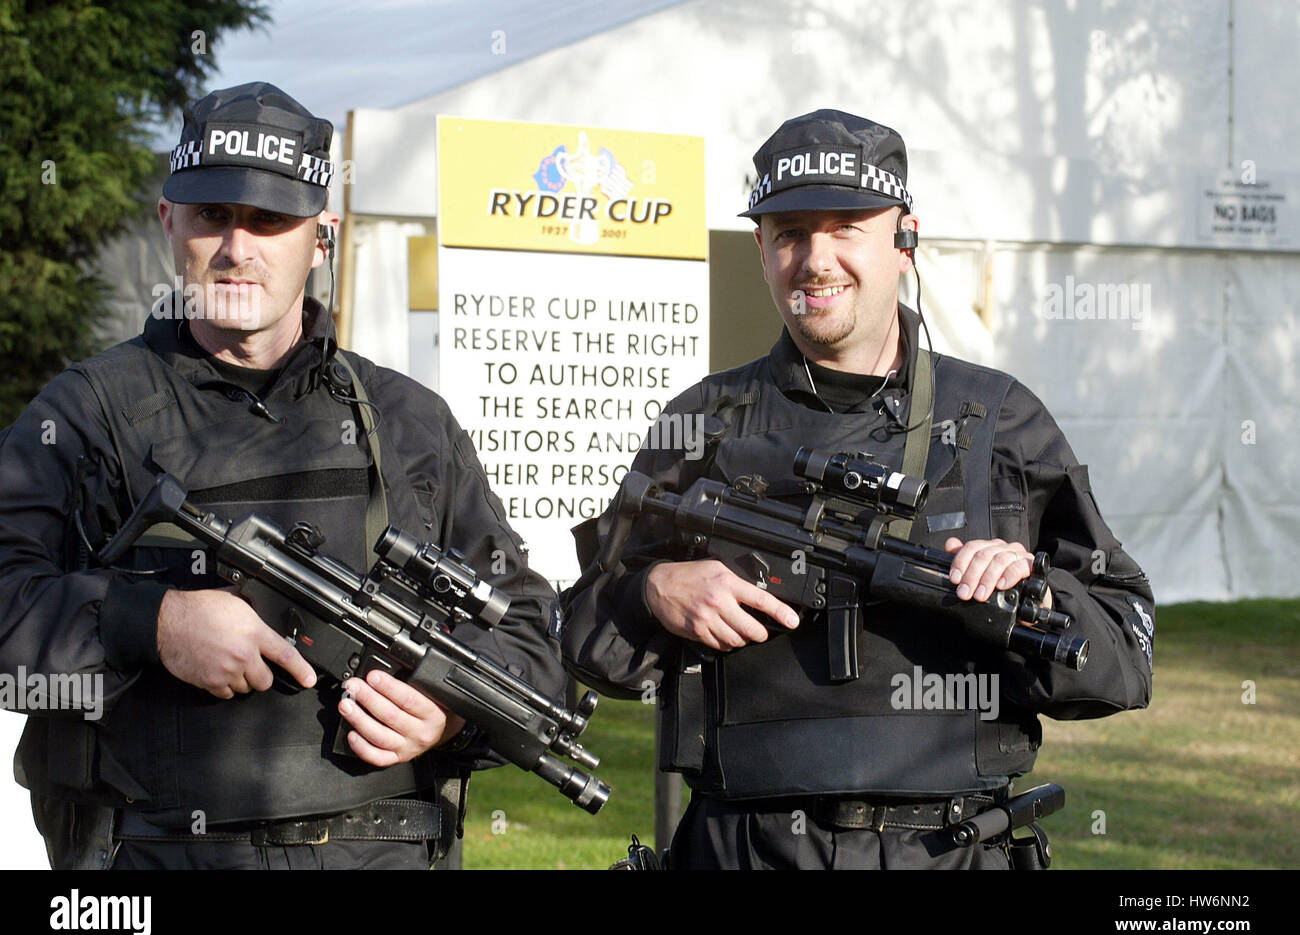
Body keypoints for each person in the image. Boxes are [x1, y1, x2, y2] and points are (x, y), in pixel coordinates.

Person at [561, 109, 1155, 869]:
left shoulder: (999, 421)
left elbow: (1126, 648)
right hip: (744, 847)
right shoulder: (702, 424)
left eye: (846, 228)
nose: (816, 259)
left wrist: (1036, 594)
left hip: (947, 848)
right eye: (790, 233)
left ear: (905, 240)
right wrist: (655, 590)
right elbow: (581, 631)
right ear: (761, 248)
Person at [0, 81, 565, 869]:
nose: (238, 248)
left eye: (270, 220)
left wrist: (447, 712)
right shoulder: (84, 417)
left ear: (321, 234)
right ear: (169, 221)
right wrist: (151, 623)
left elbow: (530, 628)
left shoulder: (409, 422)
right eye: (212, 216)